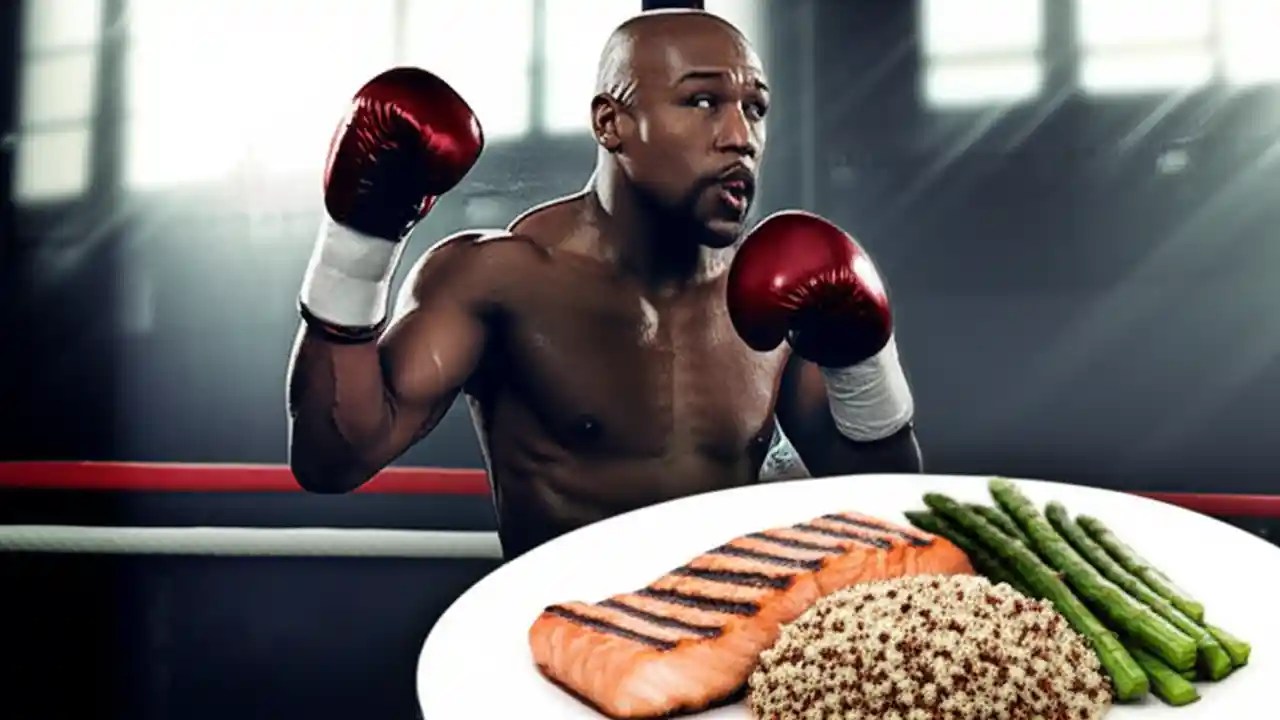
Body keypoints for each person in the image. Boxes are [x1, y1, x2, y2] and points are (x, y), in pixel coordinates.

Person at [286, 9, 920, 560]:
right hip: (559, 661)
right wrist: (358, 241)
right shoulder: (503, 279)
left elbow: (885, 499)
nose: (739, 137)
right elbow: (331, 458)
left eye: (754, 108)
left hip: (727, 658)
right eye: (702, 102)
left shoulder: (778, 291)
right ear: (611, 123)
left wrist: (867, 361)